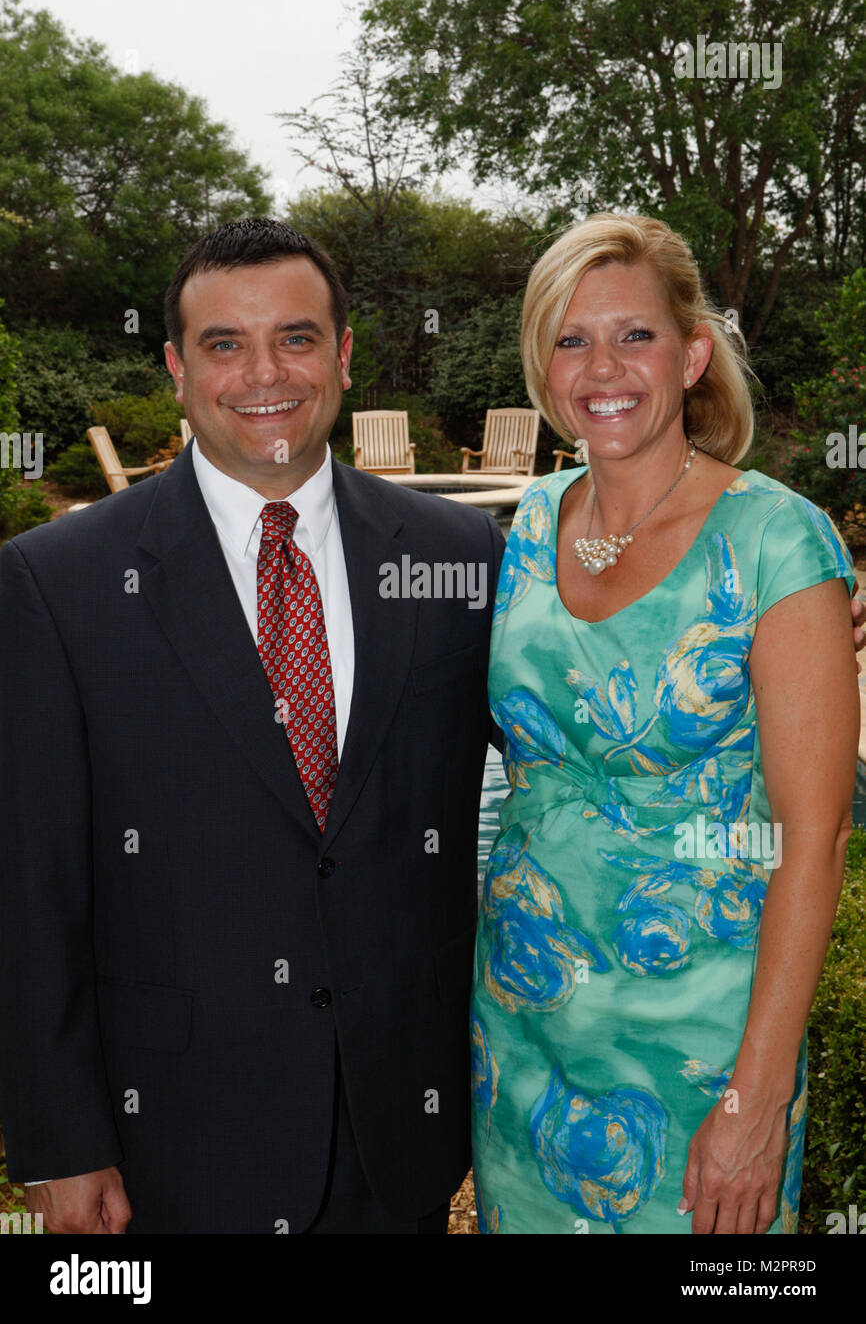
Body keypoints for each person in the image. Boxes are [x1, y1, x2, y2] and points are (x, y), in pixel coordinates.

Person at [0, 217, 506, 1234]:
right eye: (225, 343)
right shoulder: (60, 583)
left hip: (397, 1131)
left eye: (296, 336)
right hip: (173, 1144)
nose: (262, 371)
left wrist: (766, 632)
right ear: (178, 367)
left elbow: (585, 714)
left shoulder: (461, 558)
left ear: (344, 355)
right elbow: (28, 882)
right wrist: (61, 1140)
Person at [470, 213, 862, 1235]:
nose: (600, 366)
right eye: (568, 338)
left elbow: (811, 837)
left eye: (631, 334)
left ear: (690, 354)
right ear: (540, 368)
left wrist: (754, 1097)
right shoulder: (528, 524)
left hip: (700, 1043)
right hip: (522, 1035)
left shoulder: (775, 541)